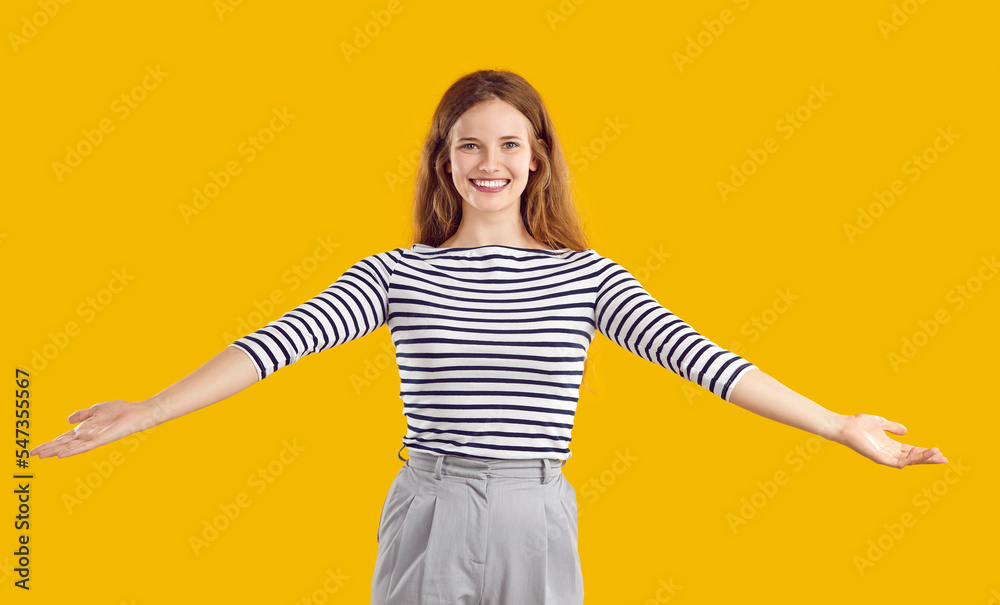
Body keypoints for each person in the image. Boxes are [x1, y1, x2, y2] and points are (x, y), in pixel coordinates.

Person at [30, 69, 948, 605]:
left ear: (537, 155)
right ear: (444, 159)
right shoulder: (398, 273)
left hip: (537, 513)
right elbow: (278, 344)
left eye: (509, 143)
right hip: (429, 505)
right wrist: (145, 411)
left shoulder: (584, 276)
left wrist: (836, 425)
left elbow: (704, 360)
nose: (490, 163)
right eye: (468, 145)